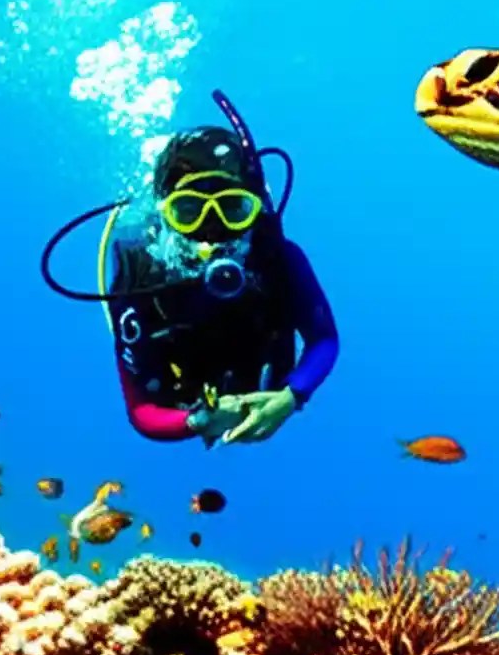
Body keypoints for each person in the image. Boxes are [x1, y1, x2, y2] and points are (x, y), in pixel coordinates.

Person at [41, 90, 339, 446]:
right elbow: (142, 411)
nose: (211, 231)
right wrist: (195, 421)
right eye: (188, 211)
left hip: (265, 385)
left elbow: (324, 338)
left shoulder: (279, 259)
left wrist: (291, 398)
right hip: (187, 395)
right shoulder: (140, 278)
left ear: (254, 209)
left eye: (232, 209)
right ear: (164, 215)